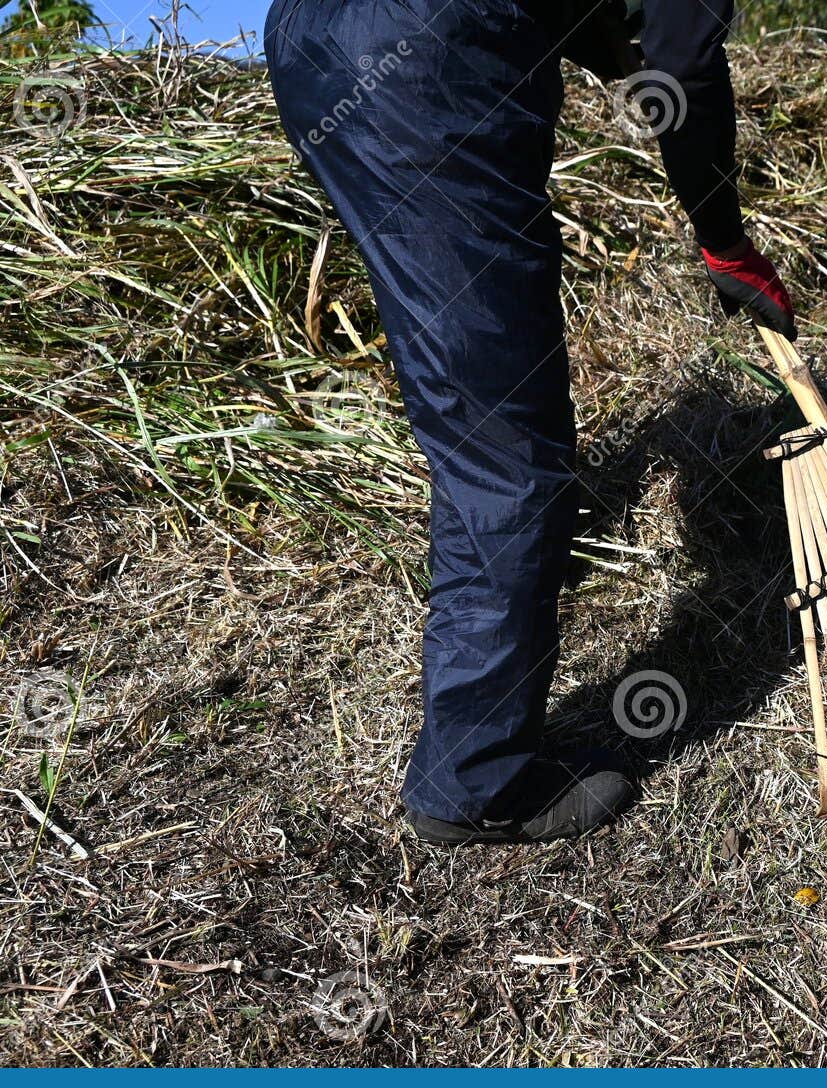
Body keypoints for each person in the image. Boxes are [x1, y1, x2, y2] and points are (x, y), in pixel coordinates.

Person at [262, 0, 795, 844]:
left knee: (463, 373)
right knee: (505, 447)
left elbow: (629, 48)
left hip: (313, 37)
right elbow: (683, 66)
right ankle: (476, 780)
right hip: (430, 62)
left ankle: (497, 597)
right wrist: (723, 239)